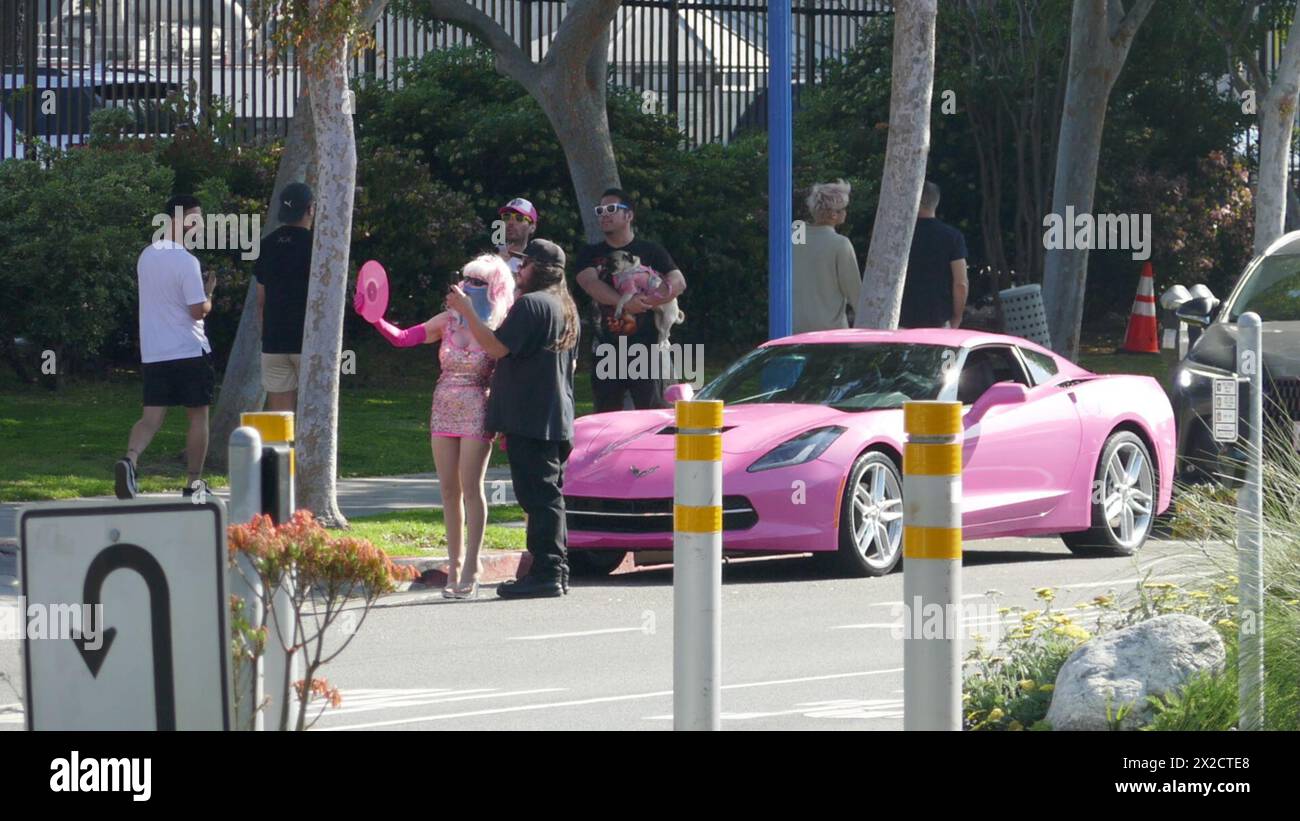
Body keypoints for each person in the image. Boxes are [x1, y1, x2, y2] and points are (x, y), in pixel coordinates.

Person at [354, 254, 516, 600]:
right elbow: (404, 338)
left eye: (477, 282)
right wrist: (374, 317)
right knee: (448, 490)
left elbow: (497, 353)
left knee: (471, 487)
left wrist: (468, 311)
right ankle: (454, 565)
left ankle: (472, 565)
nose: (467, 287)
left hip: (476, 403)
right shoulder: (448, 320)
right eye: (466, 279)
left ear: (494, 289)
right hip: (443, 402)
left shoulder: (499, 323)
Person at [447, 239, 579, 599]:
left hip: (531, 417)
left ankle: (546, 573)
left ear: (539, 268)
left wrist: (465, 309)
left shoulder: (532, 305)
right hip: (553, 416)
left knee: (538, 498)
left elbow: (495, 347)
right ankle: (555, 570)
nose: (518, 270)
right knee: (547, 497)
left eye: (524, 264)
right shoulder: (565, 307)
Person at [115, 194, 217, 500]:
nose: (198, 225)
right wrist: (209, 294)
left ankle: (130, 460)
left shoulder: (146, 256)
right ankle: (194, 483)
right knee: (198, 416)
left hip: (155, 351)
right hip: (188, 349)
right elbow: (196, 310)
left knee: (151, 418)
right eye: (194, 218)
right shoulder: (187, 261)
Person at [575, 188, 686, 412]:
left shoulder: (651, 251)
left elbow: (678, 282)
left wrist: (649, 301)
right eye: (600, 210)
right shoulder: (590, 253)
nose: (604, 214)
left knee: (654, 420)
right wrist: (624, 303)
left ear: (629, 215)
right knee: (607, 423)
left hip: (648, 351)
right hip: (607, 352)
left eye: (611, 209)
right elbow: (589, 283)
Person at [255, 182, 314, 413]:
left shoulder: (267, 244)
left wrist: (267, 335)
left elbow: (261, 300)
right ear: (310, 209)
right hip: (308, 340)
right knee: (313, 411)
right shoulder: (319, 247)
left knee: (279, 417)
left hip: (274, 340)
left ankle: (280, 451)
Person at [792, 179, 861, 333]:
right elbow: (855, 294)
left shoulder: (797, 231)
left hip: (794, 327)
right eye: (843, 208)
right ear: (833, 214)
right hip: (830, 331)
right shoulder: (840, 243)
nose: (846, 212)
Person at [899, 181, 969, 329]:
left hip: (901, 318)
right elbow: (960, 283)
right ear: (935, 202)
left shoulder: (898, 236)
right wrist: (957, 317)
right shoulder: (953, 237)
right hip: (938, 318)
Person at [496, 197, 537, 276]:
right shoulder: (490, 253)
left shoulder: (534, 263)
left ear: (532, 227)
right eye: (506, 216)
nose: (510, 222)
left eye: (519, 218)